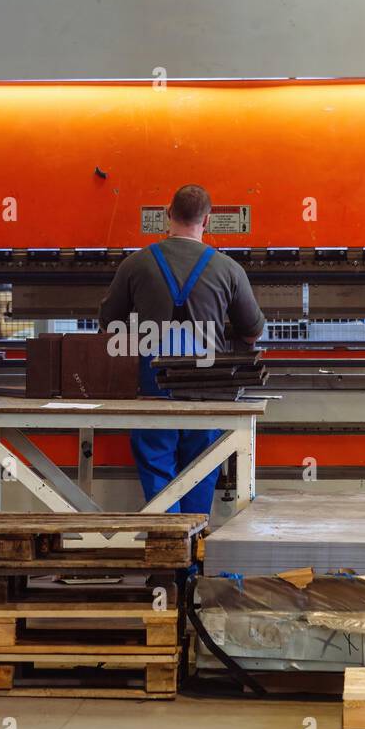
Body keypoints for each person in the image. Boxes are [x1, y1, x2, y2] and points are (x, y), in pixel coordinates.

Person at [98, 184, 265, 515]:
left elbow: (108, 324)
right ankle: (191, 557)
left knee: (158, 468)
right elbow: (252, 333)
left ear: (167, 214)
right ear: (208, 220)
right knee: (200, 471)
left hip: (153, 392)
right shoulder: (228, 269)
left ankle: (167, 549)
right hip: (207, 392)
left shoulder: (136, 264)